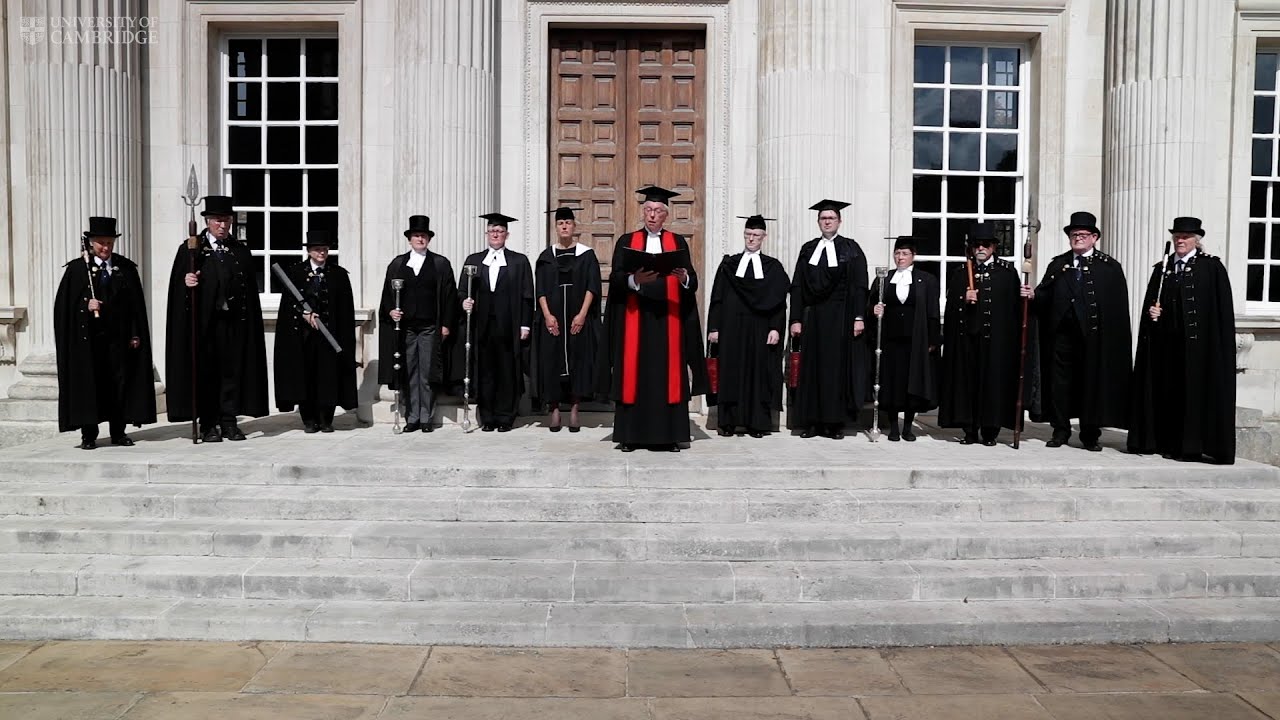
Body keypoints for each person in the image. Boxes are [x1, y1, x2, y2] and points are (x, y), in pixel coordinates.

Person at [599, 185, 708, 452]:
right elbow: (615, 278)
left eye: (657, 211)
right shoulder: (626, 241)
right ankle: (630, 436)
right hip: (635, 318)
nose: (652, 215)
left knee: (666, 376)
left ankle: (669, 436)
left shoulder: (678, 242)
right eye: (648, 210)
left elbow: (691, 280)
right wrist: (634, 279)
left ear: (665, 216)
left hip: (667, 320)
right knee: (633, 375)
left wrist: (684, 279)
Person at [1128, 216, 1236, 464]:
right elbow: (1153, 305)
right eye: (1176, 236)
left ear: (1196, 241)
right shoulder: (1162, 269)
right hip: (1166, 346)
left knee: (1192, 396)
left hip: (1197, 349)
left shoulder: (1211, 268)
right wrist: (1153, 314)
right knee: (1168, 394)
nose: (1180, 241)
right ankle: (1164, 441)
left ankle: (1189, 447)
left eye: (1185, 237)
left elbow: (1219, 311)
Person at [165, 195, 268, 442]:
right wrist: (187, 282)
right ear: (208, 221)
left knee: (231, 372)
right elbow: (179, 290)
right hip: (204, 325)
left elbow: (248, 290)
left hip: (233, 323)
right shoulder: (192, 249)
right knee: (207, 373)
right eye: (218, 221)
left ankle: (229, 422)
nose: (223, 226)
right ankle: (209, 424)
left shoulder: (239, 250)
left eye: (227, 221)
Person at [1028, 211, 1132, 452]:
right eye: (1074, 234)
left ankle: (1089, 434)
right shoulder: (1058, 264)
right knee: (1060, 385)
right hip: (1061, 338)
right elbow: (1044, 296)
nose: (1078, 238)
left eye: (1083, 234)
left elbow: (1117, 309)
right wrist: (1032, 295)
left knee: (1090, 385)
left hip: (1094, 339)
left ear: (1094, 237)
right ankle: (1060, 430)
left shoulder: (1109, 267)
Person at [54, 216, 156, 449]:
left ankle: (118, 432)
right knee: (92, 386)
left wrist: (135, 333)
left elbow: (134, 308)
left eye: (109, 242)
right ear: (91, 243)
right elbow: (64, 309)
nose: (105, 247)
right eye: (100, 242)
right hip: (89, 342)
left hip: (118, 340)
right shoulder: (78, 270)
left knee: (118, 385)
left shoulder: (126, 268)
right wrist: (85, 307)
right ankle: (89, 434)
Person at [787, 199, 869, 439]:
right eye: (823, 218)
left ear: (839, 221)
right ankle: (812, 422)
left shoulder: (851, 249)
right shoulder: (808, 249)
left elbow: (859, 286)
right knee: (812, 369)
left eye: (831, 218)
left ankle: (834, 423)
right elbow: (798, 285)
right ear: (818, 222)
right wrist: (795, 319)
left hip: (841, 317)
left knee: (836, 369)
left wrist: (858, 317)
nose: (827, 222)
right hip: (813, 316)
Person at [938, 222, 1022, 446]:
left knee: (992, 385)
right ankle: (969, 430)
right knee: (968, 385)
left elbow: (1014, 309)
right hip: (967, 340)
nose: (981, 249)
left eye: (985, 245)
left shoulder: (1006, 273)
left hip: (995, 342)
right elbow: (950, 307)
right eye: (976, 245)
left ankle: (990, 432)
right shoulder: (960, 273)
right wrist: (963, 299)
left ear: (994, 247)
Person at [707, 214, 790, 438]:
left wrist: (775, 328)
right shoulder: (729, 264)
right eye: (748, 234)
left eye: (755, 235)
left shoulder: (773, 268)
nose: (751, 238)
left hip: (760, 329)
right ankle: (728, 423)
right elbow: (717, 297)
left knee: (758, 374)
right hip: (731, 327)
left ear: (764, 237)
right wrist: (714, 328)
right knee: (730, 372)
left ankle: (757, 424)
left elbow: (779, 302)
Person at [378, 215, 459, 433]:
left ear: (428, 239)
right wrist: (390, 311)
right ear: (410, 239)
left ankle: (426, 417)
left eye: (423, 235)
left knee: (427, 373)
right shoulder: (398, 264)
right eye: (416, 236)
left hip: (430, 327)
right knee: (409, 372)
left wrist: (447, 324)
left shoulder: (440, 264)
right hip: (405, 329)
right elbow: (387, 295)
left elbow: (450, 296)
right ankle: (411, 417)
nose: (420, 239)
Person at [273, 229, 358, 433]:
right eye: (318, 249)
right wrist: (303, 313)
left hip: (330, 337)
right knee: (306, 376)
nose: (322, 253)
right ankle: (309, 419)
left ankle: (326, 419)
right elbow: (288, 305)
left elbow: (345, 309)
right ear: (309, 251)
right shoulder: (295, 273)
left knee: (327, 377)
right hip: (304, 336)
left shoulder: (338, 274)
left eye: (325, 249)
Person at [460, 213, 534, 432]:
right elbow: (462, 290)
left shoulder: (519, 261)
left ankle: (506, 417)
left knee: (507, 371)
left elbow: (527, 295)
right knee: (485, 371)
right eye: (492, 231)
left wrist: (525, 325)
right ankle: (488, 417)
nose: (496, 234)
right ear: (486, 234)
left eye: (500, 231)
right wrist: (464, 302)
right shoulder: (473, 260)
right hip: (482, 327)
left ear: (506, 235)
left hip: (509, 326)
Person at [532, 206, 603, 432]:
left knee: (578, 361)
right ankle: (554, 410)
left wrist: (582, 315)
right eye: (560, 223)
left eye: (568, 223)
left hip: (576, 316)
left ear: (574, 227)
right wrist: (547, 315)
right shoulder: (545, 257)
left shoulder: (586, 255)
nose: (564, 226)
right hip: (553, 318)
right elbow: (540, 289)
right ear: (555, 227)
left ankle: (574, 409)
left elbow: (593, 286)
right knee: (551, 361)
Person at [868, 236, 940, 441]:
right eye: (897, 253)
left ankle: (908, 427)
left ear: (913, 256)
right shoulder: (883, 278)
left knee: (912, 383)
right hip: (890, 340)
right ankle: (893, 427)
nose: (900, 257)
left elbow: (933, 311)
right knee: (891, 384)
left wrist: (932, 340)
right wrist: (874, 310)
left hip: (915, 340)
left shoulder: (926, 280)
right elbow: (871, 304)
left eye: (905, 253)